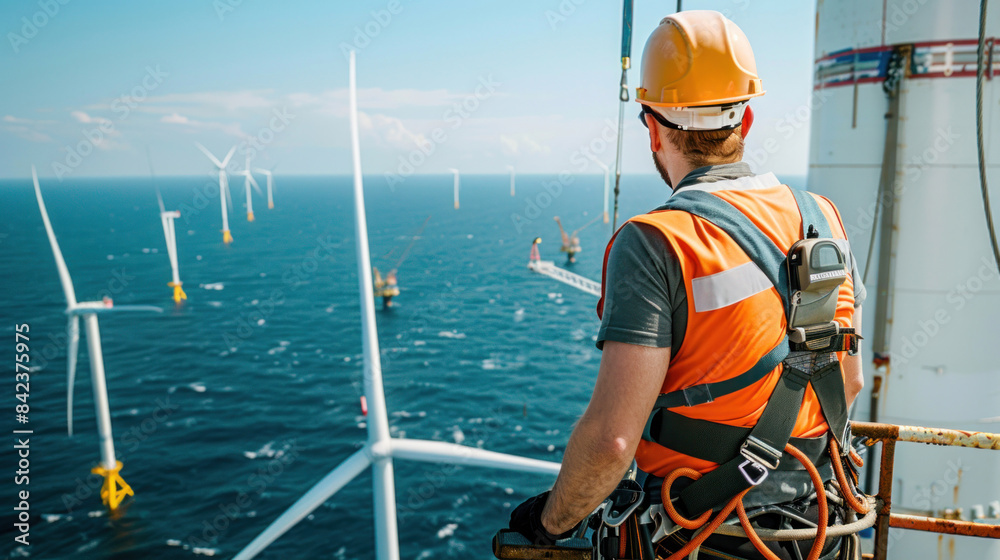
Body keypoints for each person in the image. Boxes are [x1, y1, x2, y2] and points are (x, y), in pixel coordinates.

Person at [508, 11, 867, 560]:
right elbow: (852, 379)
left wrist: (550, 522)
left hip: (703, 535)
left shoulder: (654, 241)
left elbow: (613, 441)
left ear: (652, 128)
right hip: (819, 526)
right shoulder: (823, 217)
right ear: (745, 123)